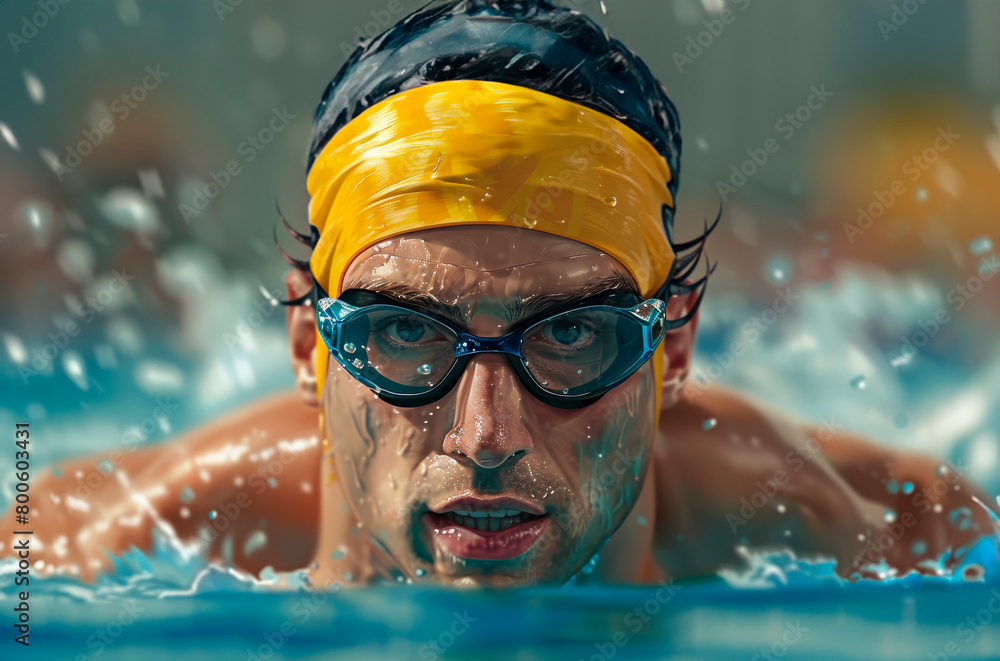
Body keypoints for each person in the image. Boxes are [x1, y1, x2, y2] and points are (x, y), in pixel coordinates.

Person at [3, 0, 995, 587]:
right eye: (401, 333)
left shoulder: (889, 534)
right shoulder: (103, 542)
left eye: (570, 335)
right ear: (308, 344)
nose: (484, 435)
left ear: (674, 348)